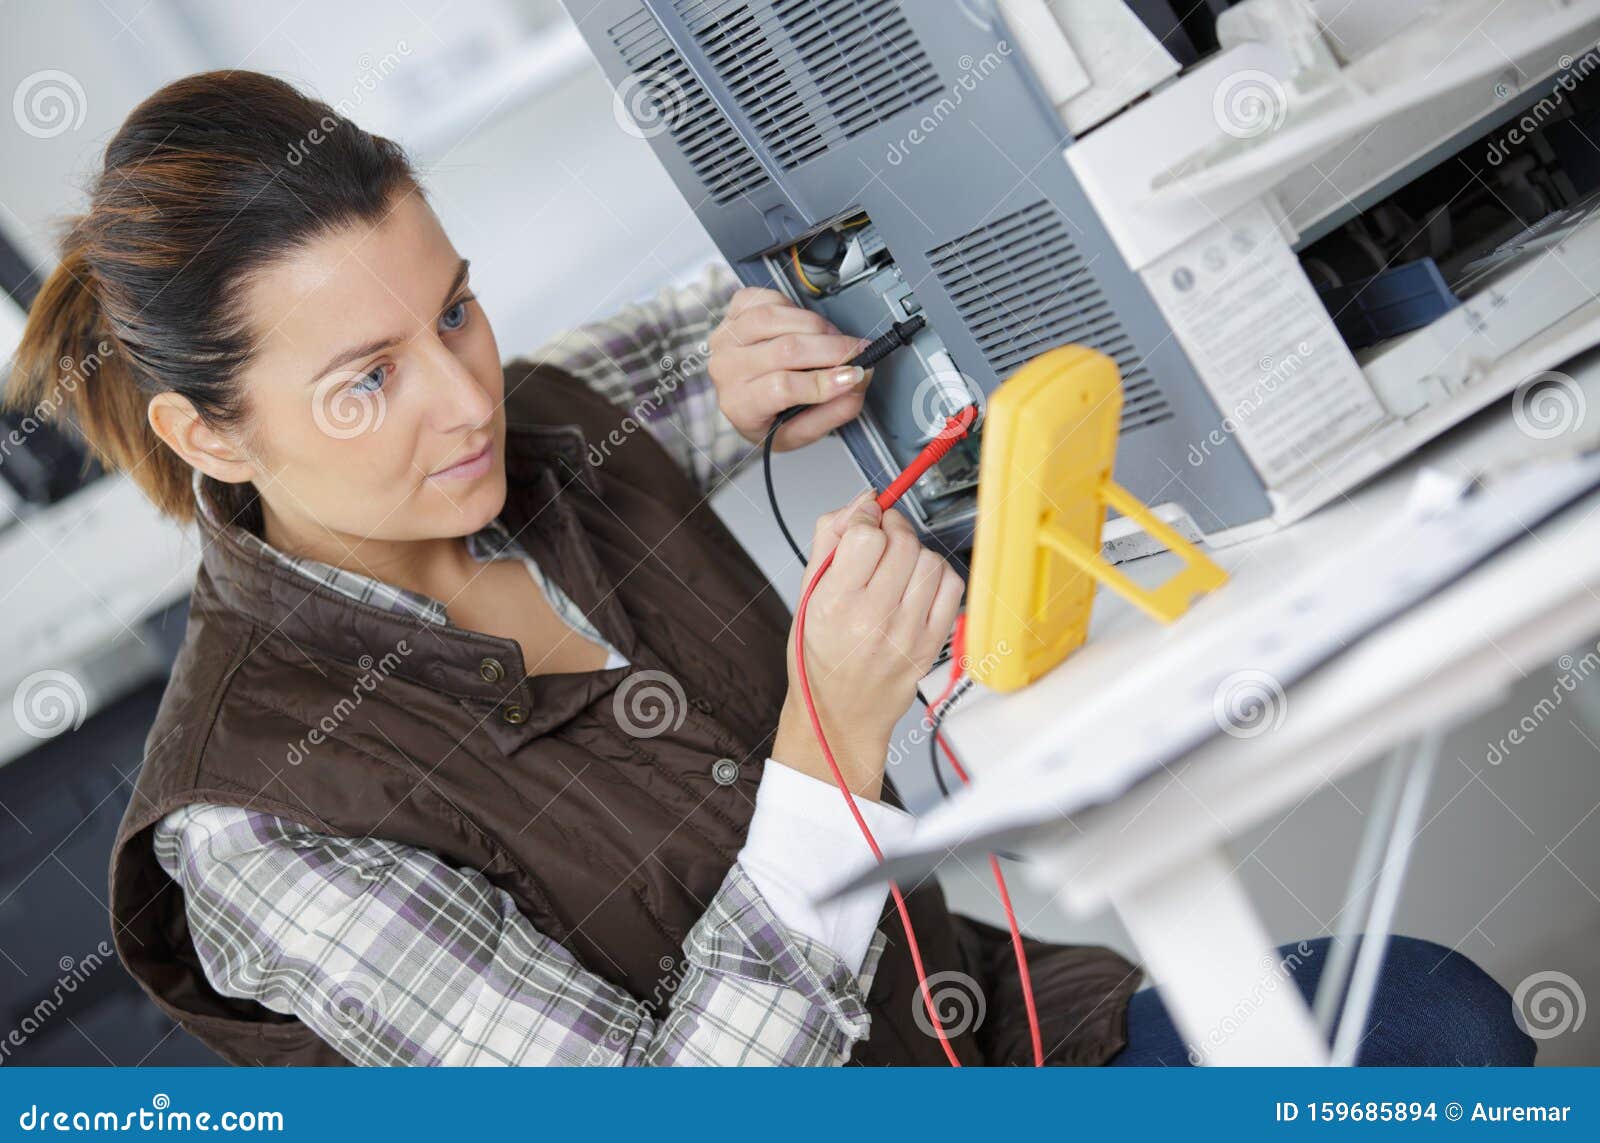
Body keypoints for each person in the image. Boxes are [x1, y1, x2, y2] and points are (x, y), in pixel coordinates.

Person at [6, 71, 1533, 1067]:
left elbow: (705, 347)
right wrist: (822, 762)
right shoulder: (256, 825)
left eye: (455, 313)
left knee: (1439, 1030)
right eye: (366, 381)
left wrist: (768, 342)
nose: (466, 398)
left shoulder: (525, 431)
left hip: (1004, 1047)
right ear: (208, 434)